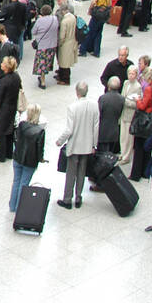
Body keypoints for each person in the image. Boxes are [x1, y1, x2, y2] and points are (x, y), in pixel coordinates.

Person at [56, 81, 99, 210]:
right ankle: (78, 197)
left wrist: (60, 140)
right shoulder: (94, 105)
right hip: (87, 145)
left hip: (74, 145)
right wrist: (94, 145)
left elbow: (69, 129)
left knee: (71, 173)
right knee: (82, 172)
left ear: (77, 92)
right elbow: (96, 127)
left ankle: (67, 199)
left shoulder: (72, 107)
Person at [9, 104, 46, 212]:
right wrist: (41, 159)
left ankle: (12, 205)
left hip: (18, 157)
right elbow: (39, 149)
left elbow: (16, 139)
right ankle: (19, 207)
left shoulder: (21, 125)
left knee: (16, 181)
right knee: (24, 183)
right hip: (30, 161)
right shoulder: (40, 131)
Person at [0, 56, 23, 162]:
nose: (1, 64)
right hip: (12, 106)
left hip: (4, 108)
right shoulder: (16, 77)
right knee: (9, 130)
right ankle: (9, 152)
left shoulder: (3, 81)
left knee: (0, 131)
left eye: (3, 63)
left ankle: (1, 155)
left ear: (7, 67)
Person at [118, 62, 145, 165]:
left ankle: (126, 156)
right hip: (123, 113)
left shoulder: (138, 87)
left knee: (129, 137)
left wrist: (125, 101)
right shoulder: (125, 83)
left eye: (133, 74)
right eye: (129, 73)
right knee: (122, 135)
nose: (131, 76)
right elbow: (122, 95)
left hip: (130, 114)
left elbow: (137, 103)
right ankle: (122, 153)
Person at [30, 5, 58, 90]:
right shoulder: (55, 19)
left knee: (42, 64)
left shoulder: (39, 21)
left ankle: (43, 82)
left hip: (42, 46)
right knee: (47, 63)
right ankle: (43, 78)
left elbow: (33, 32)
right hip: (52, 45)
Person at [97, 76, 124, 157]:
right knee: (110, 157)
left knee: (101, 156)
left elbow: (98, 113)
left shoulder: (103, 98)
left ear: (108, 87)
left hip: (103, 131)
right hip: (114, 132)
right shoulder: (122, 99)